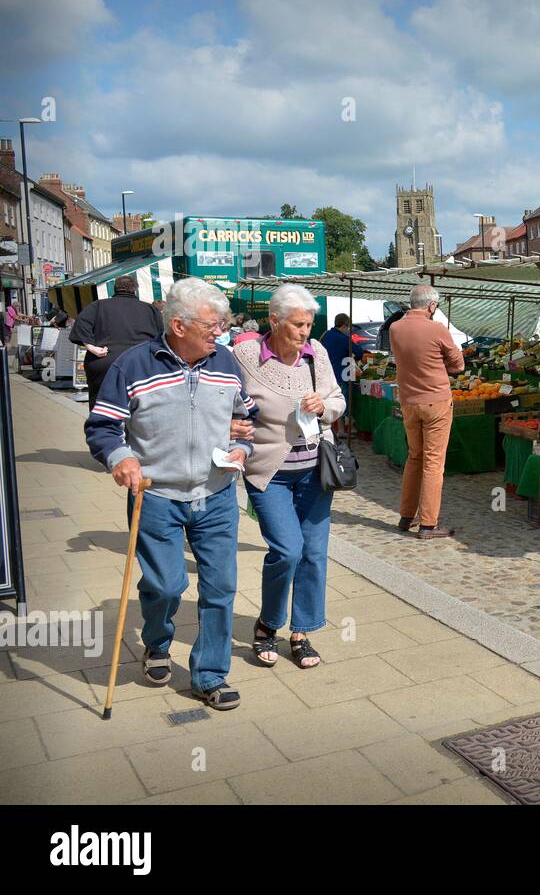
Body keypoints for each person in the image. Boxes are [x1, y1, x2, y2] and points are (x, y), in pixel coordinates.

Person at [84, 278, 255, 711]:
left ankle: (210, 675)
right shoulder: (133, 365)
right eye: (213, 324)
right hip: (155, 495)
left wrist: (243, 446)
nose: (221, 332)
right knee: (165, 585)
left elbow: (246, 418)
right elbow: (103, 426)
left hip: (215, 495)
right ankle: (157, 643)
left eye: (223, 324)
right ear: (179, 325)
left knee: (220, 588)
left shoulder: (227, 363)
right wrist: (121, 457)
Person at [233, 284, 346, 669]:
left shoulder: (318, 354)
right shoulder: (247, 356)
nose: (305, 332)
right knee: (287, 549)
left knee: (314, 553)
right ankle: (267, 624)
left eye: (309, 324)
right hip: (270, 473)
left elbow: (338, 399)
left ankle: (302, 632)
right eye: (298, 324)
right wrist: (236, 428)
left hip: (315, 472)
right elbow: (230, 403)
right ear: (275, 320)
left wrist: (324, 406)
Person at [389, 285, 464, 537]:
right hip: (436, 401)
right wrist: (439, 362)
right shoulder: (436, 328)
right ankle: (429, 523)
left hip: (409, 401)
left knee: (414, 458)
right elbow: (458, 364)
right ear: (431, 306)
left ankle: (406, 515)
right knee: (433, 463)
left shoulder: (395, 328)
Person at [69, 276, 164, 410]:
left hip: (105, 361)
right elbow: (162, 337)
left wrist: (93, 348)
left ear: (115, 288)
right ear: (135, 289)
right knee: (141, 408)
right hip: (140, 363)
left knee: (102, 407)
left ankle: (104, 428)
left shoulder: (98, 306)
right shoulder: (150, 309)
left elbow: (81, 326)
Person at [320, 312, 353, 414]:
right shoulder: (343, 338)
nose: (348, 330)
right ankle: (343, 428)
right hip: (340, 375)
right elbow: (359, 352)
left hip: (326, 375)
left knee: (331, 402)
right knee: (341, 402)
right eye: (348, 328)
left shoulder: (326, 335)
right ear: (343, 326)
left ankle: (340, 428)